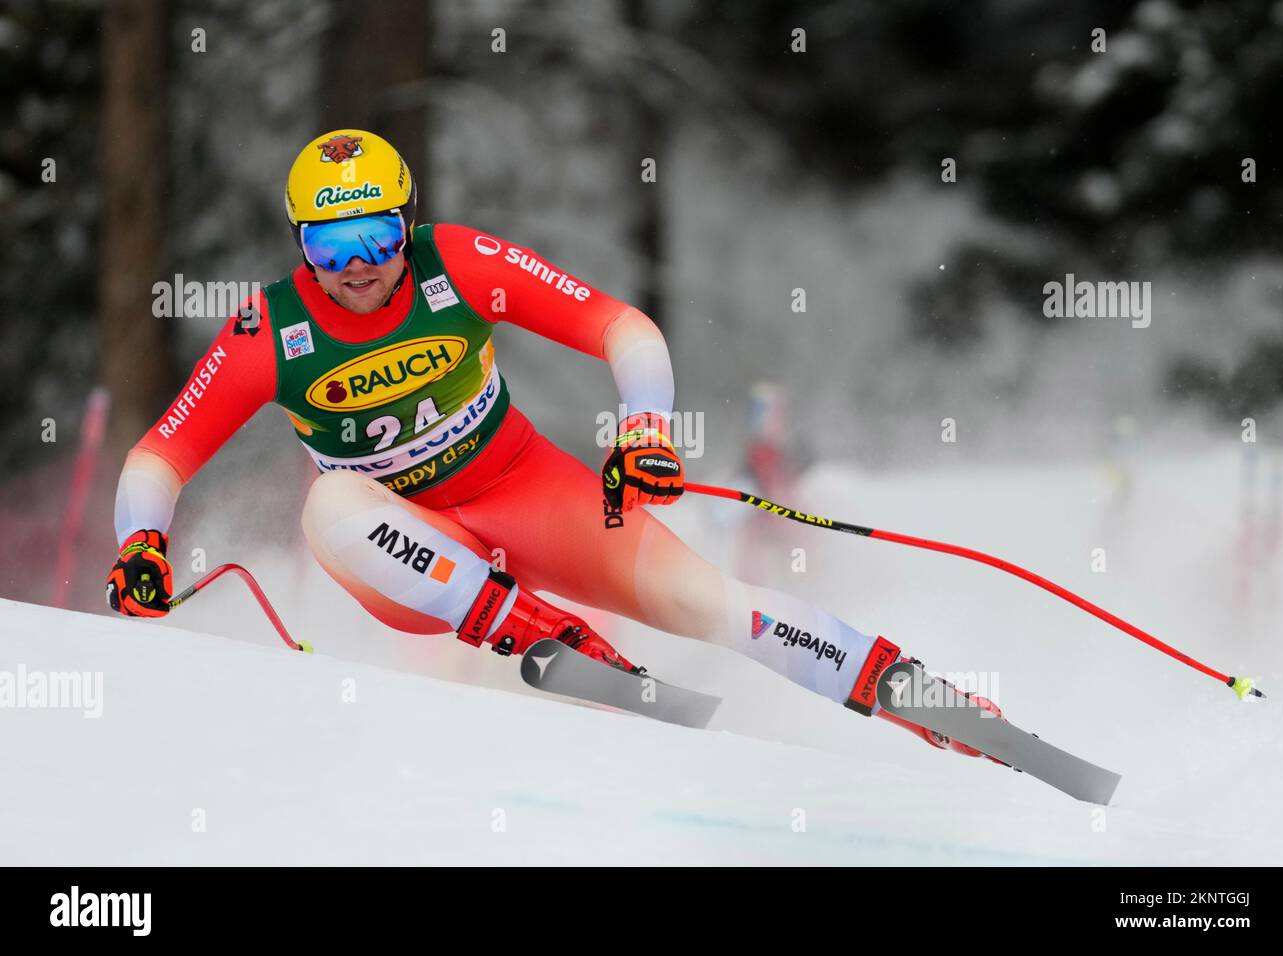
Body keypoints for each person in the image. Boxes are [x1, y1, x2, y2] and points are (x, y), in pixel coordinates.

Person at [105, 129, 1000, 759]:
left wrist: (644, 427)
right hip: (407, 549)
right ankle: (538, 634)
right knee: (329, 502)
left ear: (407, 225)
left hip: (525, 487)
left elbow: (624, 327)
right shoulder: (270, 329)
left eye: (376, 235)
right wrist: (140, 546)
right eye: (329, 245)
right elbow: (159, 456)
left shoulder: (458, 262)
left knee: (711, 601)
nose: (357, 266)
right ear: (300, 246)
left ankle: (916, 695)